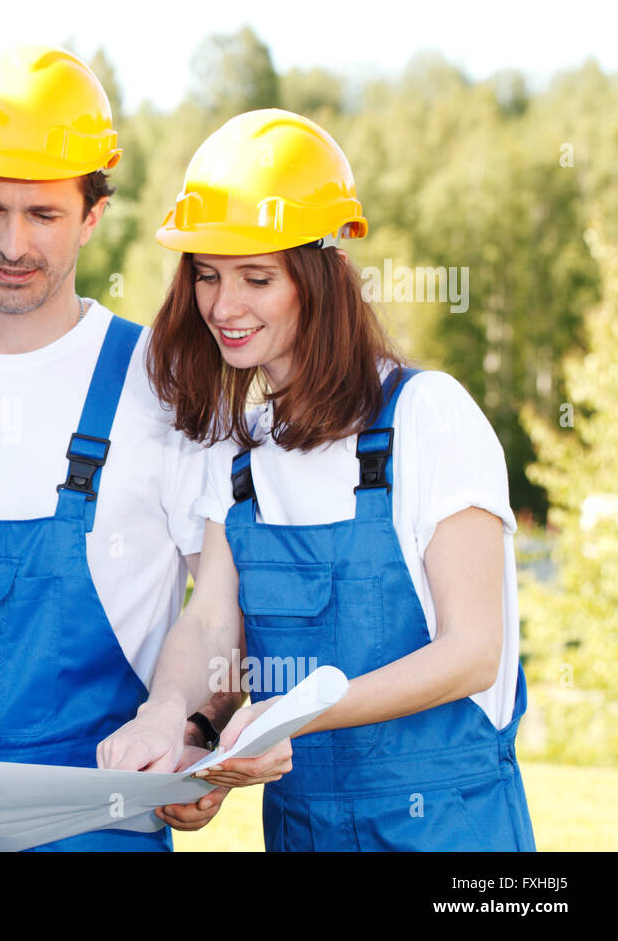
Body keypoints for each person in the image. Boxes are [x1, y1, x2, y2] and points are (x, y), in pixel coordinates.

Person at [0, 46, 287, 852]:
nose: (12, 246)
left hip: (101, 821)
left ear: (95, 215)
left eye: (44, 216)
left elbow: (217, 614)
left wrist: (193, 727)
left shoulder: (166, 384)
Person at [99, 108, 536, 851]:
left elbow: (472, 651)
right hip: (302, 832)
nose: (223, 307)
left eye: (256, 278)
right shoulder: (238, 454)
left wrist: (292, 715)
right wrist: (176, 719)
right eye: (207, 276)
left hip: (454, 832)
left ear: (322, 275)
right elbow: (213, 624)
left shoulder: (428, 418)